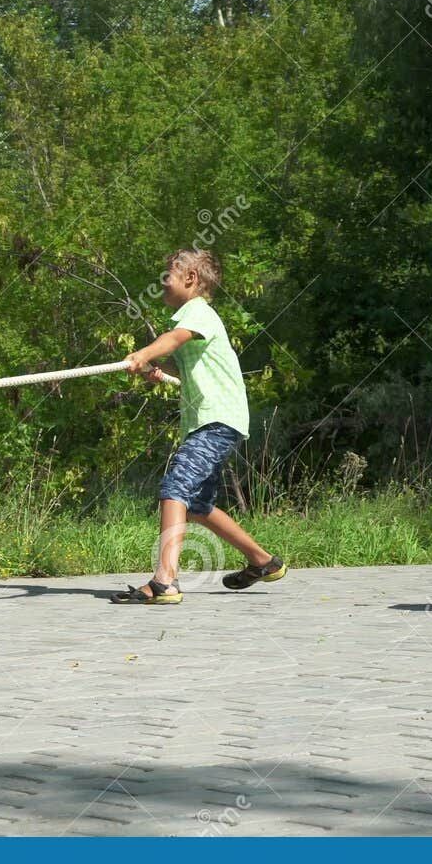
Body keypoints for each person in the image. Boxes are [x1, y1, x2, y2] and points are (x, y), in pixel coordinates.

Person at [116, 248, 287, 604]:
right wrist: (159, 372)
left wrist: (144, 353)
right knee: (196, 505)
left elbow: (173, 341)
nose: (163, 282)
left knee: (175, 487)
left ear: (190, 279)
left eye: (169, 276)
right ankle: (263, 562)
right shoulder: (194, 320)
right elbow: (191, 362)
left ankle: (165, 581)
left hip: (216, 419)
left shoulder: (198, 314)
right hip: (216, 420)